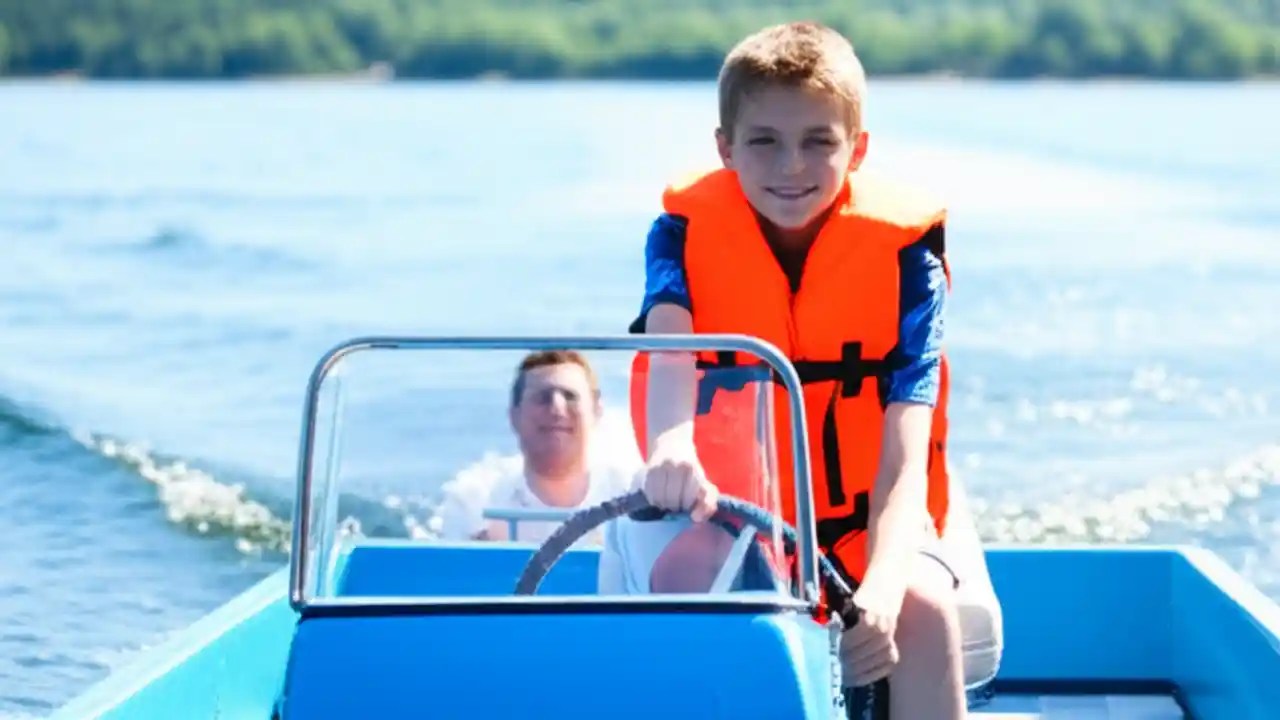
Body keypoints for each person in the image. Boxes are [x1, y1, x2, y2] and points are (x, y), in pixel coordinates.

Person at [601, 20, 1002, 719]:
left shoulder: (909, 263)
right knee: (687, 575)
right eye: (765, 141)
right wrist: (673, 444)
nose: (791, 166)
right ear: (725, 148)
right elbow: (671, 354)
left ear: (858, 148)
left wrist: (881, 588)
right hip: (733, 510)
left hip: (865, 517)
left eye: (819, 141)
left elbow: (905, 454)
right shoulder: (679, 237)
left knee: (924, 612)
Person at [436, 350, 633, 545]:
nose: (557, 409)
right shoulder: (474, 503)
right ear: (514, 415)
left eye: (570, 396)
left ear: (596, 411)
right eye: (543, 397)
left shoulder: (632, 495)